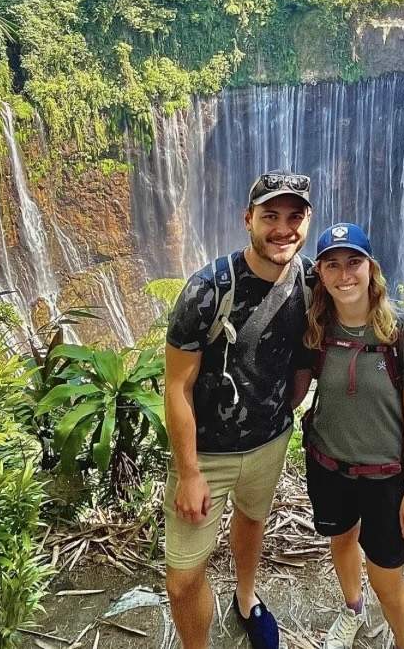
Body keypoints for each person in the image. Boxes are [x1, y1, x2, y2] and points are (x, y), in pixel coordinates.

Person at [163, 170, 315, 649]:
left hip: (270, 442)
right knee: (182, 579)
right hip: (206, 455)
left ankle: (246, 598)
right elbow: (175, 386)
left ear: (307, 222)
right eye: (270, 215)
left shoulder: (312, 281)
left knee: (252, 519)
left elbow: (319, 349)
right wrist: (189, 472)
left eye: (295, 216)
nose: (282, 228)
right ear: (248, 219)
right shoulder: (207, 290)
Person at [293, 223, 404, 649]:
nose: (344, 274)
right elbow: (290, 387)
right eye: (332, 265)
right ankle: (353, 609)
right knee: (342, 540)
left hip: (386, 478)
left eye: (354, 262)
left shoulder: (402, 335)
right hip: (329, 465)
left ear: (371, 268)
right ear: (320, 273)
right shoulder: (316, 329)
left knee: (387, 578)